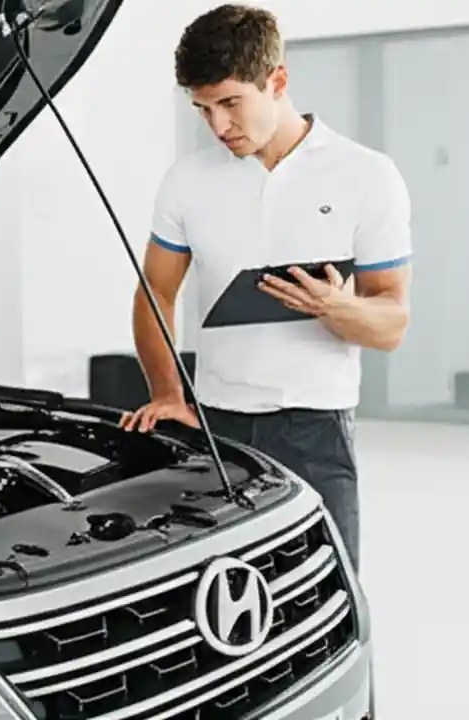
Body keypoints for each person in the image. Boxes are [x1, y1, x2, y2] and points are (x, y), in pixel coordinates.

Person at [117, 3, 413, 572]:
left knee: (325, 597)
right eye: (203, 109)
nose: (219, 126)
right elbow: (155, 292)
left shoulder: (367, 175)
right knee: (215, 603)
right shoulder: (187, 182)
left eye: (231, 103)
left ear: (277, 81)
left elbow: (393, 323)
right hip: (216, 429)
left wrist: (338, 308)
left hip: (316, 431)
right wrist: (168, 393)